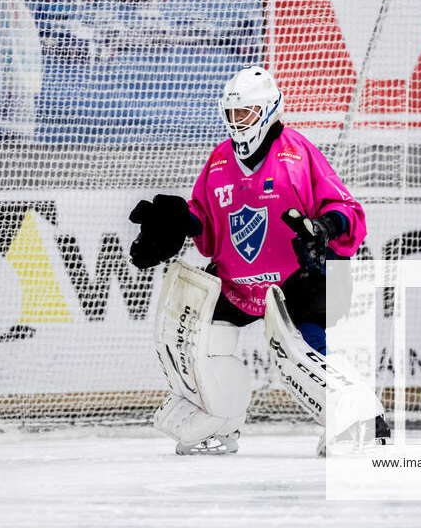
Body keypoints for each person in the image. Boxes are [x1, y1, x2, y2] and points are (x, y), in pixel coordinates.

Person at [129, 66, 384, 455]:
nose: (236, 122)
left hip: (299, 278)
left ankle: (358, 421)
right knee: (198, 339)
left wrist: (324, 229)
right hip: (238, 282)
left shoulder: (298, 152)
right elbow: (209, 235)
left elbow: (347, 210)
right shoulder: (218, 162)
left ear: (267, 110)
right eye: (230, 114)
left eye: (244, 113)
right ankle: (219, 422)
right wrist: (182, 223)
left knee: (299, 350)